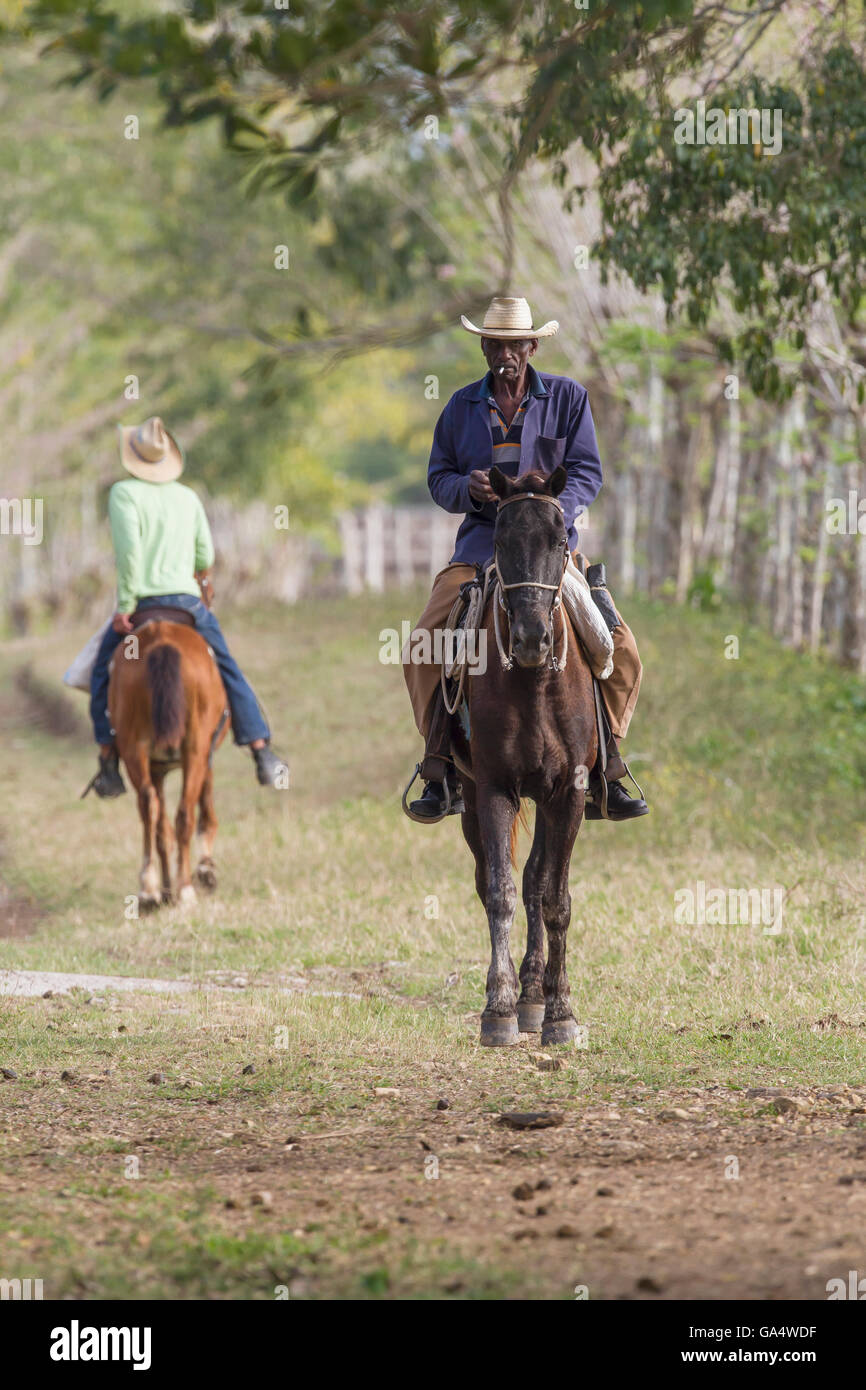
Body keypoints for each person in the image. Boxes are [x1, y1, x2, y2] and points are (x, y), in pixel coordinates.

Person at [402, 296, 648, 822]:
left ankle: (608, 766)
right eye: (495, 344)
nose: (505, 355)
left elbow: (586, 471)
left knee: (621, 647)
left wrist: (553, 508)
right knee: (424, 644)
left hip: (548, 549)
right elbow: (437, 478)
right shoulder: (461, 407)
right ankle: (439, 765)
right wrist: (465, 489)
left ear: (532, 346)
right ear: (484, 347)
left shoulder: (569, 397)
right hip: (480, 548)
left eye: (515, 344)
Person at [87, 415, 288, 798]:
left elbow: (129, 556)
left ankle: (109, 762)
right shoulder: (188, 496)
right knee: (227, 666)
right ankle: (262, 752)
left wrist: (125, 606)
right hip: (188, 606)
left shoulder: (123, 494)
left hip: (143, 605)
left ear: (132, 458)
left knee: (101, 674)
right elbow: (205, 554)